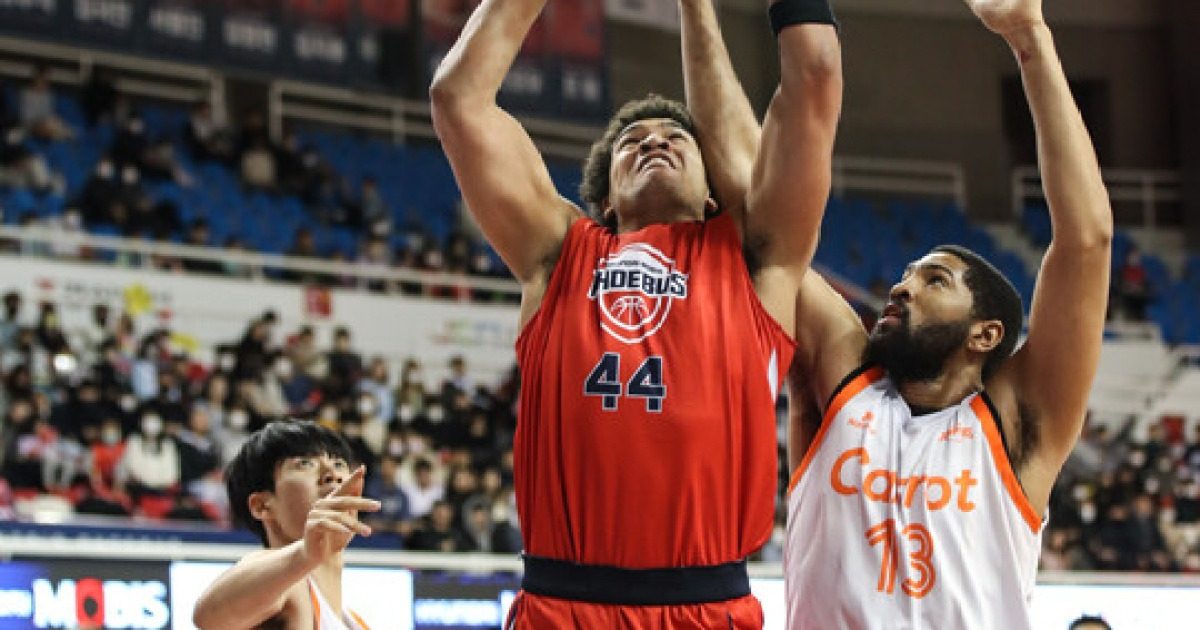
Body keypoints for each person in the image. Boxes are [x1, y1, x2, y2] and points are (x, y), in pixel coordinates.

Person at [428, 0, 839, 624]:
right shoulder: (559, 250)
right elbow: (458, 99)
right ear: (605, 200)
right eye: (631, 142)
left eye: (675, 137)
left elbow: (811, 81)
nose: (653, 140)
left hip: (704, 604)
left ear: (711, 191)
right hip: (560, 603)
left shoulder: (757, 261)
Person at [781, 0, 1112, 627]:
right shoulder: (846, 381)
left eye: (934, 280)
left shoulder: (1015, 423)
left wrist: (1028, 35)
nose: (902, 288)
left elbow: (1087, 239)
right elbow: (768, 230)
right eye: (904, 276)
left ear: (986, 334)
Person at [192, 420, 380, 629]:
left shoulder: (353, 621)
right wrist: (304, 554)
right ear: (262, 505)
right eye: (306, 463)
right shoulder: (290, 587)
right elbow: (209, 617)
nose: (332, 474)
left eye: (339, 464)